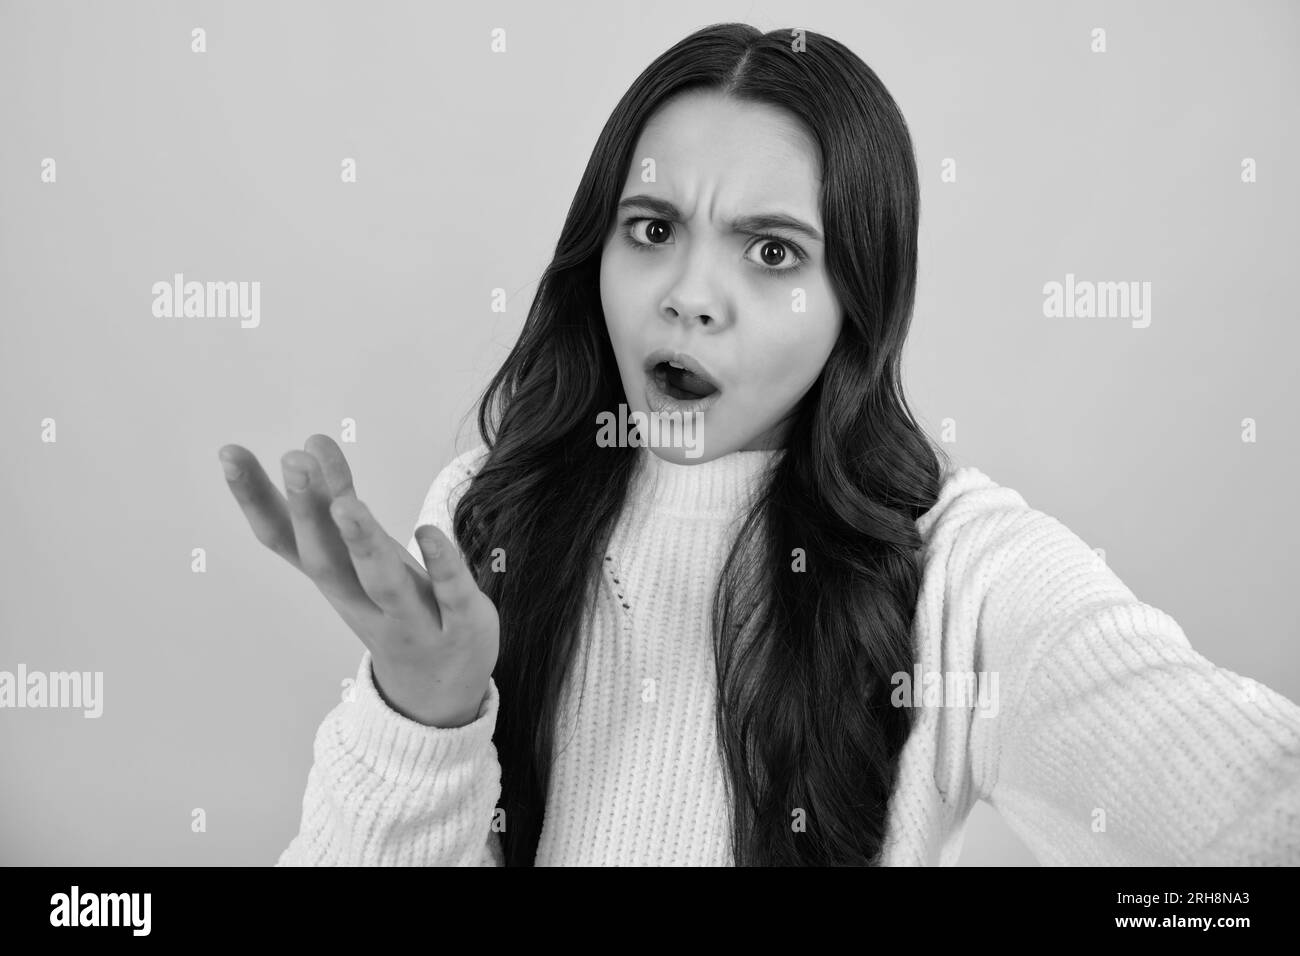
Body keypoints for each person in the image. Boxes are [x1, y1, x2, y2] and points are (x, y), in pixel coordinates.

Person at [218, 22, 1300, 866]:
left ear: (855, 306)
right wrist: (424, 708)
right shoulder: (489, 507)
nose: (689, 296)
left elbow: (1252, 810)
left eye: (771, 251)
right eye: (652, 229)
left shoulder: (963, 574)